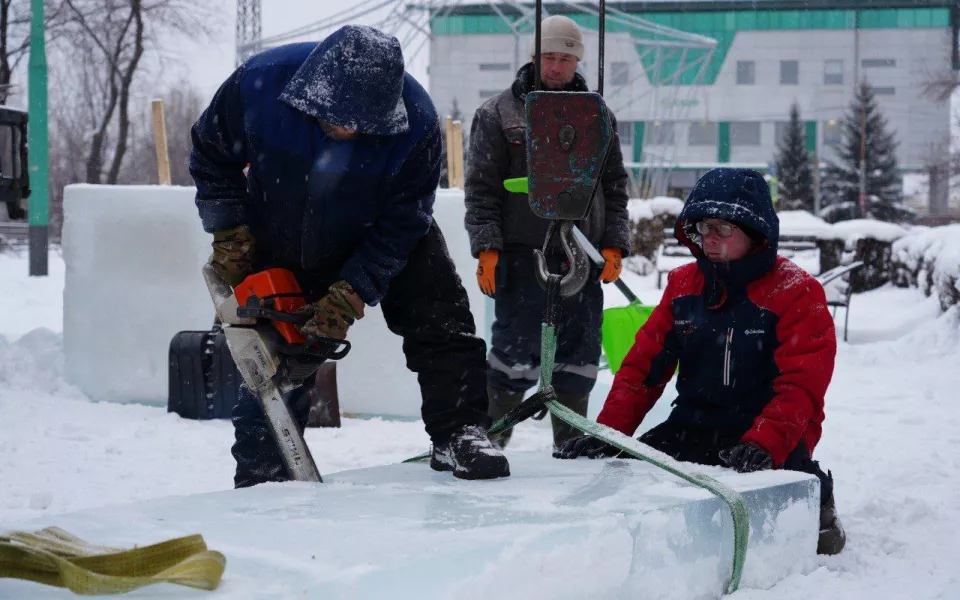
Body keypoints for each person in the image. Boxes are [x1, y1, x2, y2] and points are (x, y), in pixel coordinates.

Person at [190, 25, 509, 485]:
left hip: (381, 225)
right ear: (316, 91)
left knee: (442, 319)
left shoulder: (416, 122)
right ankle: (264, 469)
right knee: (272, 353)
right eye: (341, 119)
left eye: (365, 123)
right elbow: (210, 155)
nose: (351, 130)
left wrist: (351, 293)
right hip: (278, 225)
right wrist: (231, 235)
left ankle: (461, 433)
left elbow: (404, 222)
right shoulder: (259, 84)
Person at [554, 168, 846, 556]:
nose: (709, 237)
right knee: (632, 475)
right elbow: (642, 371)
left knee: (784, 493)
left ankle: (819, 502)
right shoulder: (683, 286)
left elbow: (802, 384)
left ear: (756, 233)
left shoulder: (796, 292)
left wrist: (766, 441)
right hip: (694, 423)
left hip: (768, 430)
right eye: (704, 226)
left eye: (723, 229)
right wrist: (610, 435)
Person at [464, 15, 630, 450]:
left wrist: (614, 243)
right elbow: (481, 189)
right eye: (548, 58)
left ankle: (572, 442)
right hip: (521, 256)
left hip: (582, 252)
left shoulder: (598, 115)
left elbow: (614, 186)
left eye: (565, 58)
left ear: (577, 61)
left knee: (579, 354)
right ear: (535, 58)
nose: (556, 67)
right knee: (512, 353)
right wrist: (488, 248)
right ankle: (492, 439)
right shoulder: (497, 114)